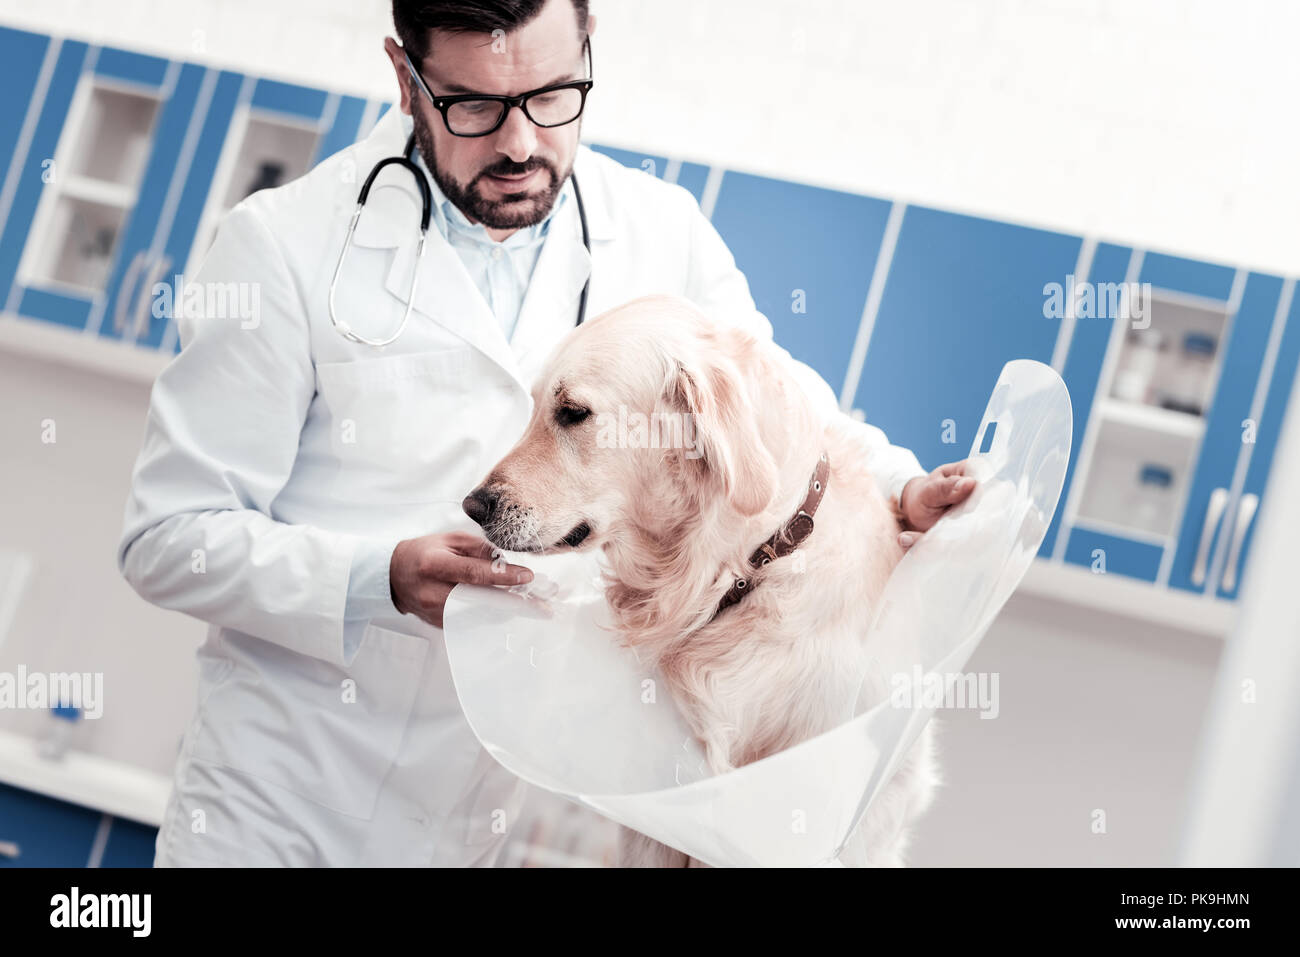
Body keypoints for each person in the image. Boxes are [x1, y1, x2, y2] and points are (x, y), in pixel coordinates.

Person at [116, 0, 975, 866]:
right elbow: (168, 536)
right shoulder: (281, 247)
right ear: (405, 78)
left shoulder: (656, 229)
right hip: (278, 813)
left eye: (553, 94)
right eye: (476, 106)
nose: (521, 142)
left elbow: (776, 402)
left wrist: (903, 484)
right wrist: (375, 580)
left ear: (587, 53)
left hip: (474, 822)